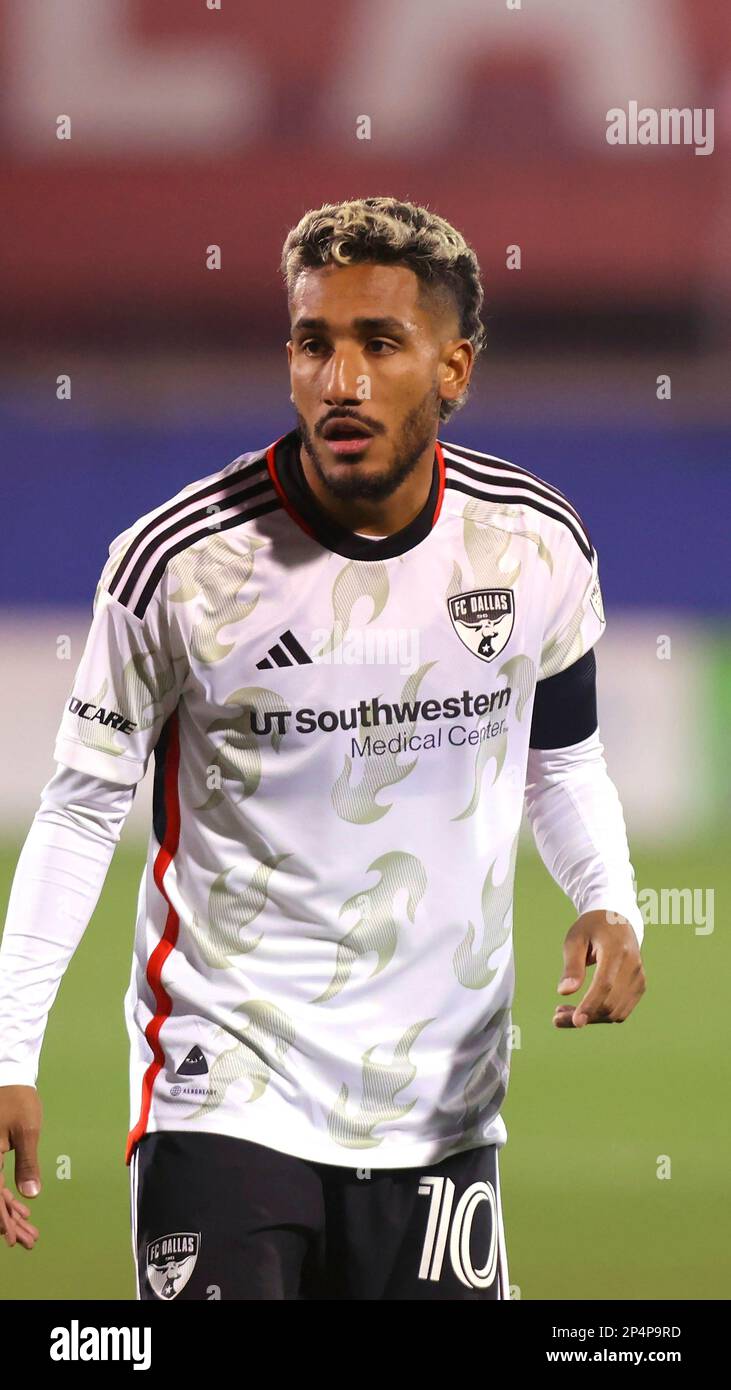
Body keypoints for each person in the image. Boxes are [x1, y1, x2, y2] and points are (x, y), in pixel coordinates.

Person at [0, 197, 646, 1300]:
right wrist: (10, 1055)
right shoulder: (177, 566)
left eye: (377, 345)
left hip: (440, 1105)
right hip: (222, 1087)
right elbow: (75, 810)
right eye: (313, 343)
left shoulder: (533, 544)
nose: (338, 381)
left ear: (452, 369)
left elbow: (563, 755)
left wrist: (606, 894)